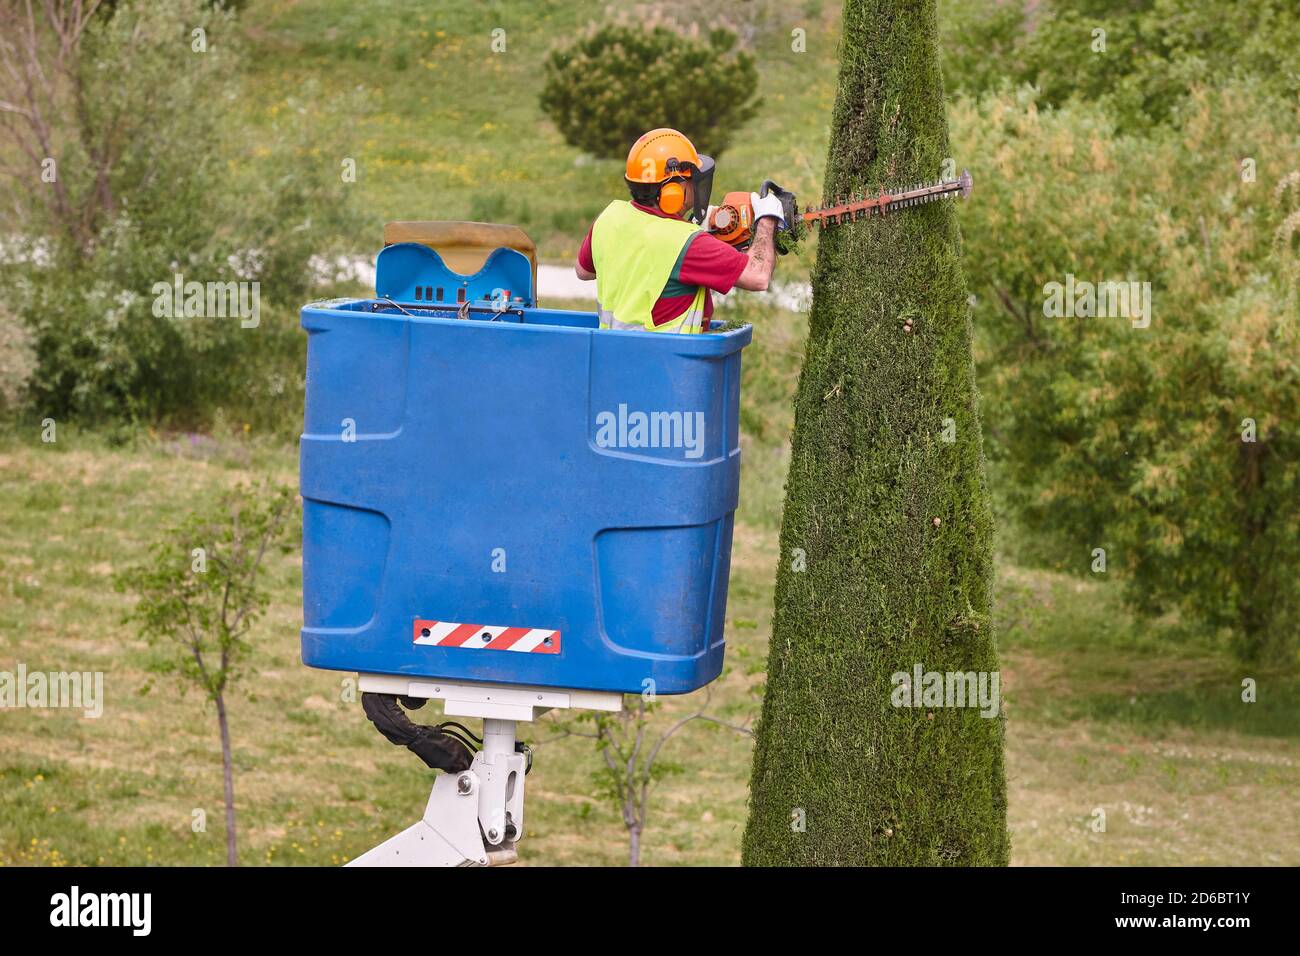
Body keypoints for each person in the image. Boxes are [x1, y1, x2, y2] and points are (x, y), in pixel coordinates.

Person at [574, 127, 785, 333]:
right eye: (692, 180)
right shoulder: (688, 243)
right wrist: (767, 219)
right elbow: (758, 276)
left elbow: (584, 271)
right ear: (673, 190)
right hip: (668, 363)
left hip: (612, 359)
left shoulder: (611, 217)